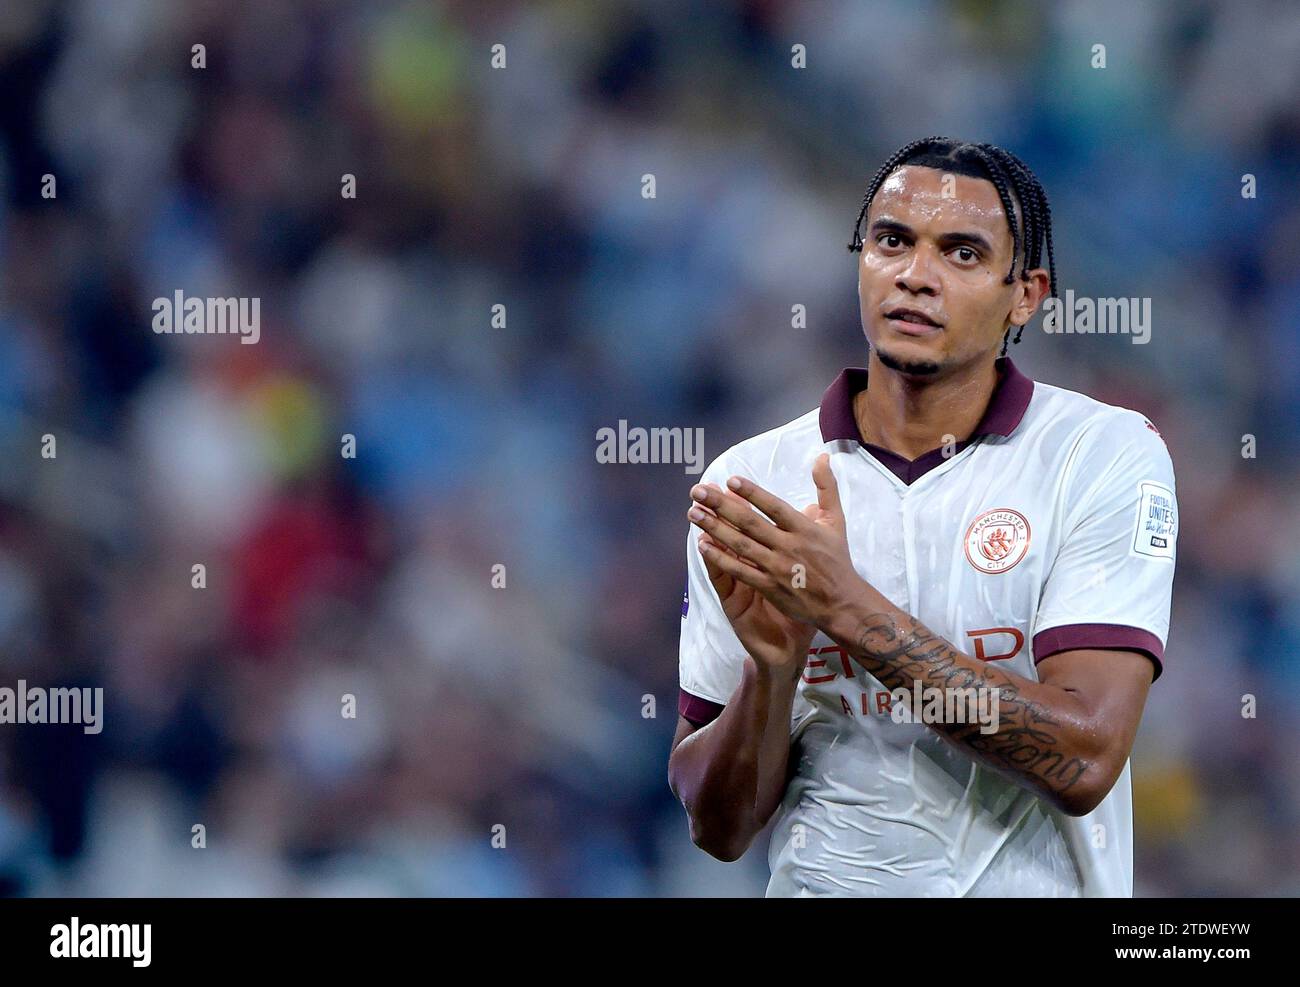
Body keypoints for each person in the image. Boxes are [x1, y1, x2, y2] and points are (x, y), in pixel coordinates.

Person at [668, 137, 1178, 897]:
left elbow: (1083, 758)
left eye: (963, 253)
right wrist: (770, 677)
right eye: (892, 241)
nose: (915, 275)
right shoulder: (752, 485)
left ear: (1026, 294)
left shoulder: (1100, 455)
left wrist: (845, 609)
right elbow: (720, 829)